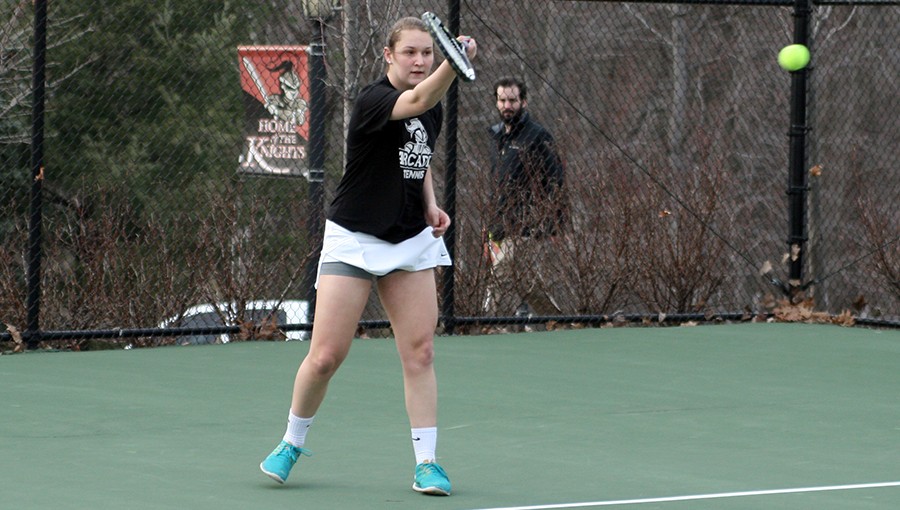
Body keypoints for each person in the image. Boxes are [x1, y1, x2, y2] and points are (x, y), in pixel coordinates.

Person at [259, 17, 477, 497]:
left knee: (420, 352)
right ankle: (291, 443)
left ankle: (427, 464)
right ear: (388, 55)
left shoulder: (432, 107)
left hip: (409, 238)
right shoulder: (373, 100)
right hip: (354, 235)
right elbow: (417, 101)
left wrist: (430, 203)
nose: (420, 61)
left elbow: (416, 158)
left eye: (426, 53)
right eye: (411, 53)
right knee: (325, 357)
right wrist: (453, 64)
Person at [484, 77, 566, 319]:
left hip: (528, 225)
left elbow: (556, 181)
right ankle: (556, 320)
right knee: (525, 283)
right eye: (502, 100)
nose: (507, 105)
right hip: (500, 225)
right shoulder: (496, 138)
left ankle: (481, 321)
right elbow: (495, 185)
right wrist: (490, 225)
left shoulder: (538, 136)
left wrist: (553, 224)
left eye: (512, 100)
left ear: (523, 102)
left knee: (500, 273)